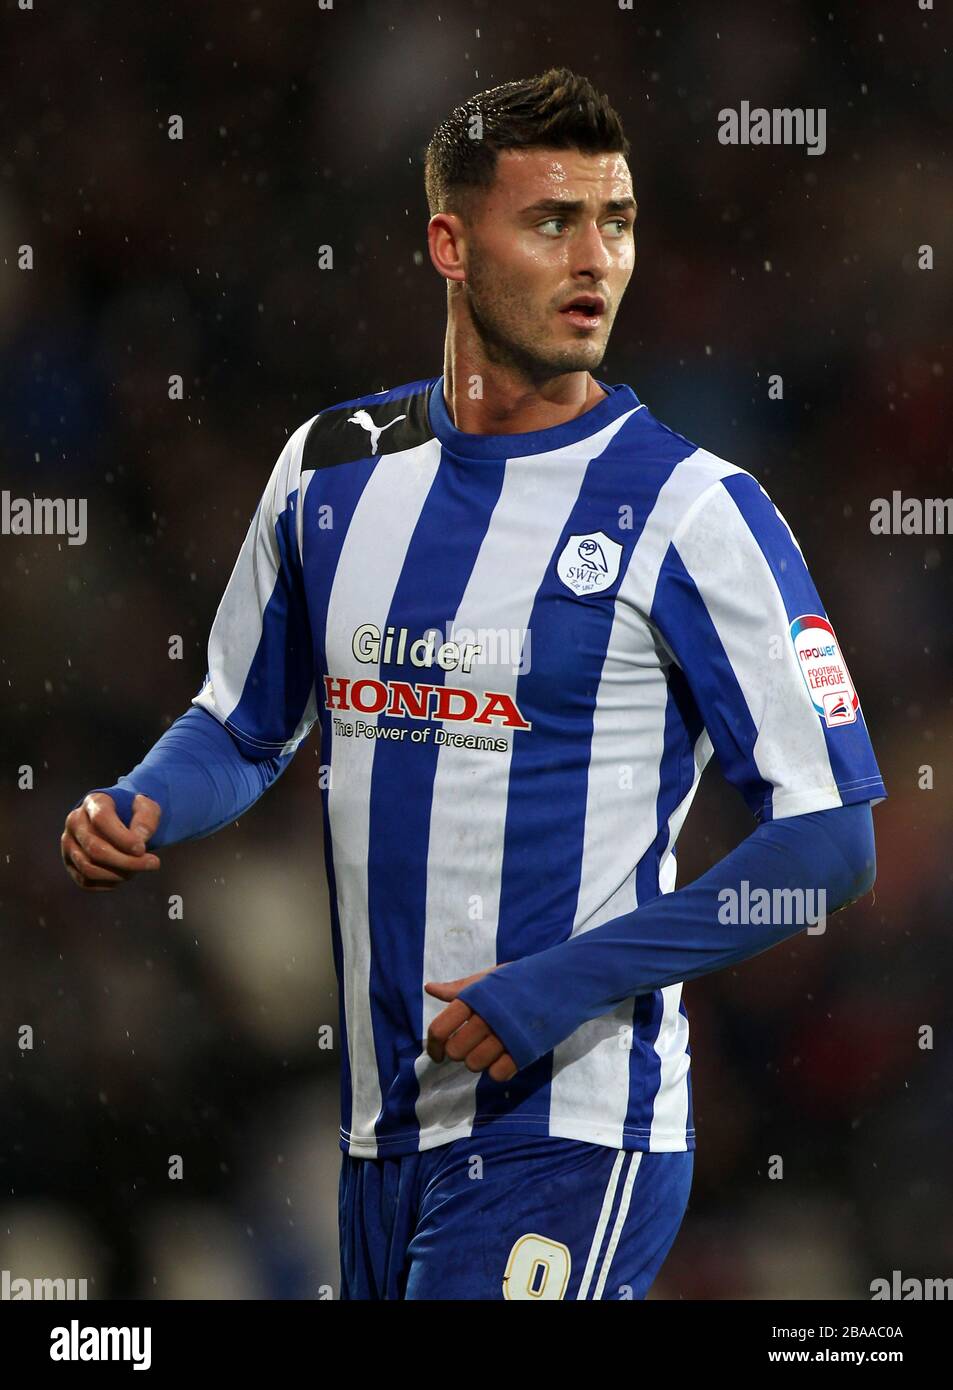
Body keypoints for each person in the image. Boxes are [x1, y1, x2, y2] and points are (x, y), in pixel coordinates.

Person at [62, 67, 887, 1300]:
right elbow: (241, 722)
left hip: (570, 1127)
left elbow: (828, 847)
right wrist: (143, 801)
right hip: (375, 1133)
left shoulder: (693, 510)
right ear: (448, 242)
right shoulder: (331, 469)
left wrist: (559, 984)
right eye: (551, 221)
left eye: (614, 221)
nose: (593, 258)